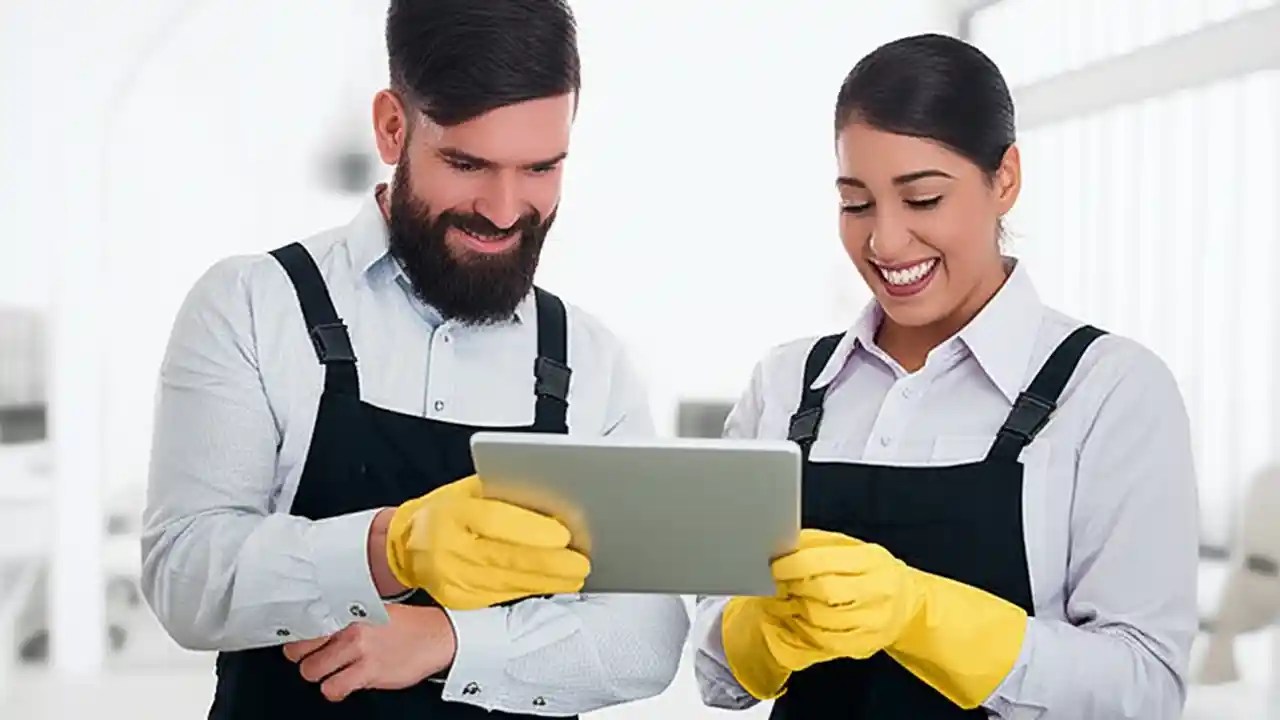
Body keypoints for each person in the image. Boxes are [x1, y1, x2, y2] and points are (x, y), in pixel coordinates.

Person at [140, 1, 689, 718]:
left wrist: (451, 641)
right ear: (393, 127)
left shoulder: (591, 362)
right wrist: (386, 551)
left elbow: (647, 636)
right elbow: (185, 578)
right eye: (467, 164)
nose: (503, 208)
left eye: (541, 168)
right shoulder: (252, 305)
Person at [693, 33, 1198, 719]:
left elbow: (1144, 690)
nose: (885, 241)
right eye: (857, 203)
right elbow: (720, 680)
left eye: (923, 199)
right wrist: (759, 634)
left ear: (1006, 180)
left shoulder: (1109, 390)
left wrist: (923, 615)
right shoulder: (786, 386)